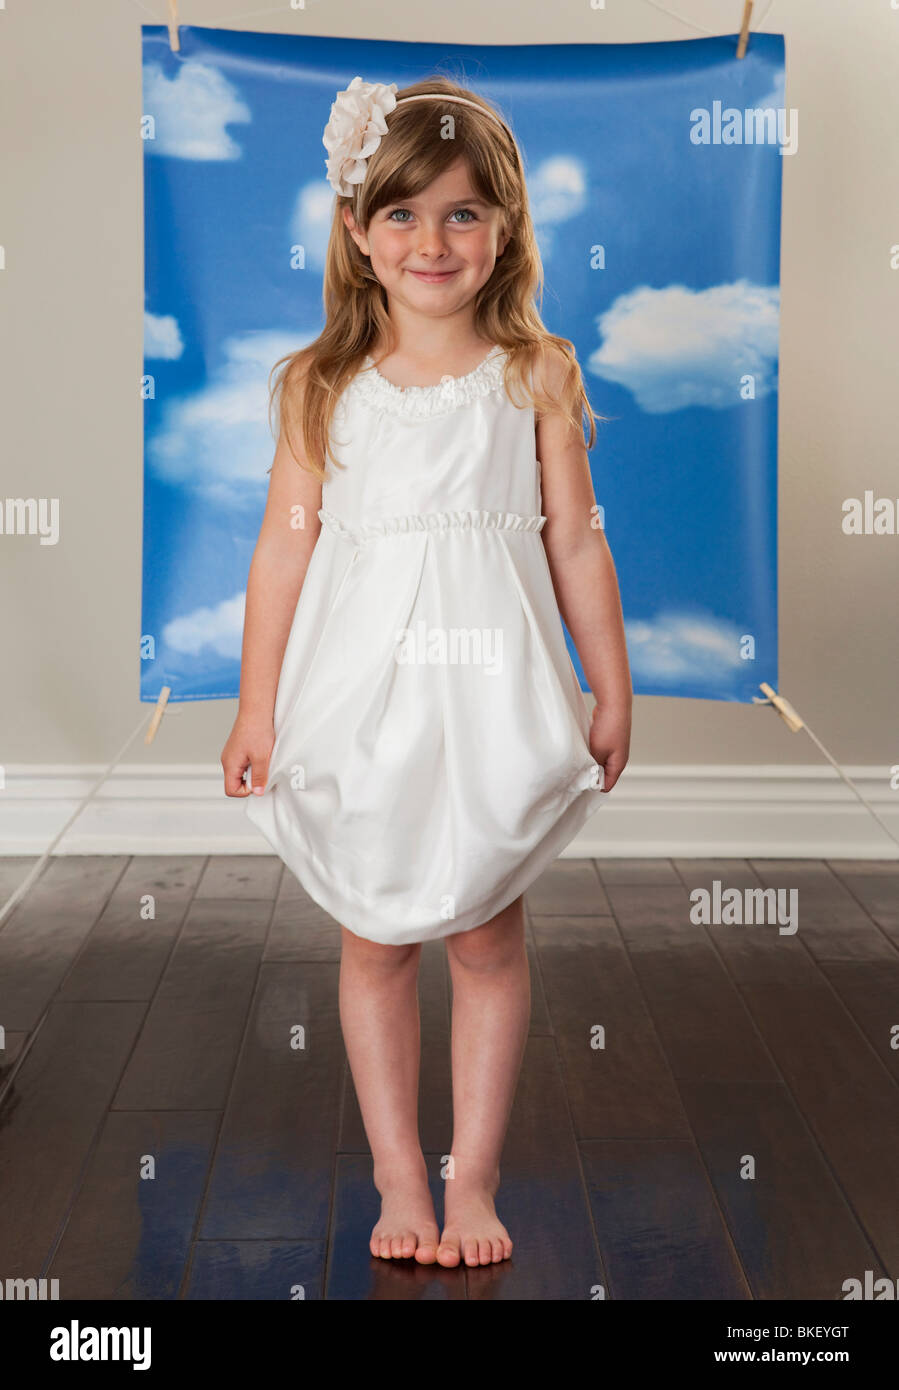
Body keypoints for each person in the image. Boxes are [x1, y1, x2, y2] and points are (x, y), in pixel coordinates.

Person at [222, 74, 632, 1270]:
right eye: (400, 214)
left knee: (487, 938)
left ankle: (474, 1176)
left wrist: (607, 685)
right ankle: (399, 1169)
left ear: (504, 228)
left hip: (486, 701)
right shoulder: (323, 384)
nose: (431, 241)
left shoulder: (534, 373)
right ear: (356, 230)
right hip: (360, 703)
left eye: (461, 213)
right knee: (374, 938)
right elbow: (280, 553)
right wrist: (255, 707)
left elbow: (575, 541)